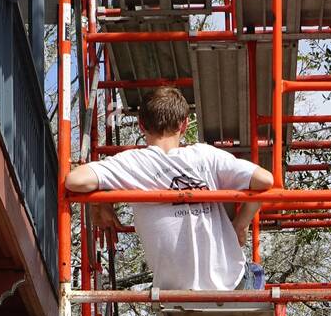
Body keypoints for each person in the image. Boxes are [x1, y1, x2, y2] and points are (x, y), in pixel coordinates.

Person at [65, 85, 273, 291]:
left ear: (141, 125)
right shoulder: (205, 155)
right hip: (233, 284)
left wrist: (100, 198)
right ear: (184, 125)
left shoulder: (133, 163)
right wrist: (240, 224)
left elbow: (75, 180)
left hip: (175, 293)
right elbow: (265, 180)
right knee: (255, 272)